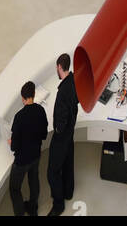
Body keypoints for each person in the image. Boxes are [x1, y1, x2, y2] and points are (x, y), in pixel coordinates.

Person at [9, 82, 48, 217]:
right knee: (33, 180)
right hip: (36, 155)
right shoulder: (40, 111)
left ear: (23, 98)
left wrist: (11, 141)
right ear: (34, 94)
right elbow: (43, 135)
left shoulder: (19, 117)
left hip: (21, 161)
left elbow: (14, 146)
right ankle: (33, 208)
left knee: (14, 189)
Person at [47, 53, 79, 215]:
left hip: (61, 137)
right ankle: (68, 192)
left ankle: (58, 205)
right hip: (70, 134)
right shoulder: (74, 81)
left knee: (52, 172)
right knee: (68, 163)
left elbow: (61, 120)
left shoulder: (62, 92)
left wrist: (58, 130)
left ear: (60, 67)